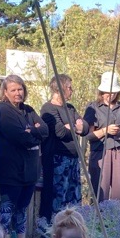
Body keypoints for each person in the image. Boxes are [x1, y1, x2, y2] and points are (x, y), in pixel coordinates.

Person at [0, 74, 48, 238]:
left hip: (30, 168)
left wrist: (31, 130)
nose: (18, 93)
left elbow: (45, 130)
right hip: (11, 168)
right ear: (5, 92)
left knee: (23, 206)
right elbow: (19, 137)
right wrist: (34, 134)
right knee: (8, 207)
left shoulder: (28, 110)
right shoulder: (3, 111)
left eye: (20, 89)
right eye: (13, 90)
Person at [39, 74, 88, 227]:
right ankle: (54, 231)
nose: (71, 91)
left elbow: (85, 128)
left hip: (73, 159)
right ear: (60, 89)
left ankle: (71, 230)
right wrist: (76, 126)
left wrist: (73, 127)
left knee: (74, 199)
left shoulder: (70, 108)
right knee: (57, 198)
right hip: (57, 160)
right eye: (69, 87)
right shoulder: (48, 109)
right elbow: (60, 132)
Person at [84, 72, 120, 203]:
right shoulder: (93, 107)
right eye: (108, 92)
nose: (111, 95)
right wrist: (105, 131)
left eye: (114, 92)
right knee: (101, 191)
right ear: (101, 91)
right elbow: (89, 135)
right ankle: (98, 215)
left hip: (118, 151)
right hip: (100, 152)